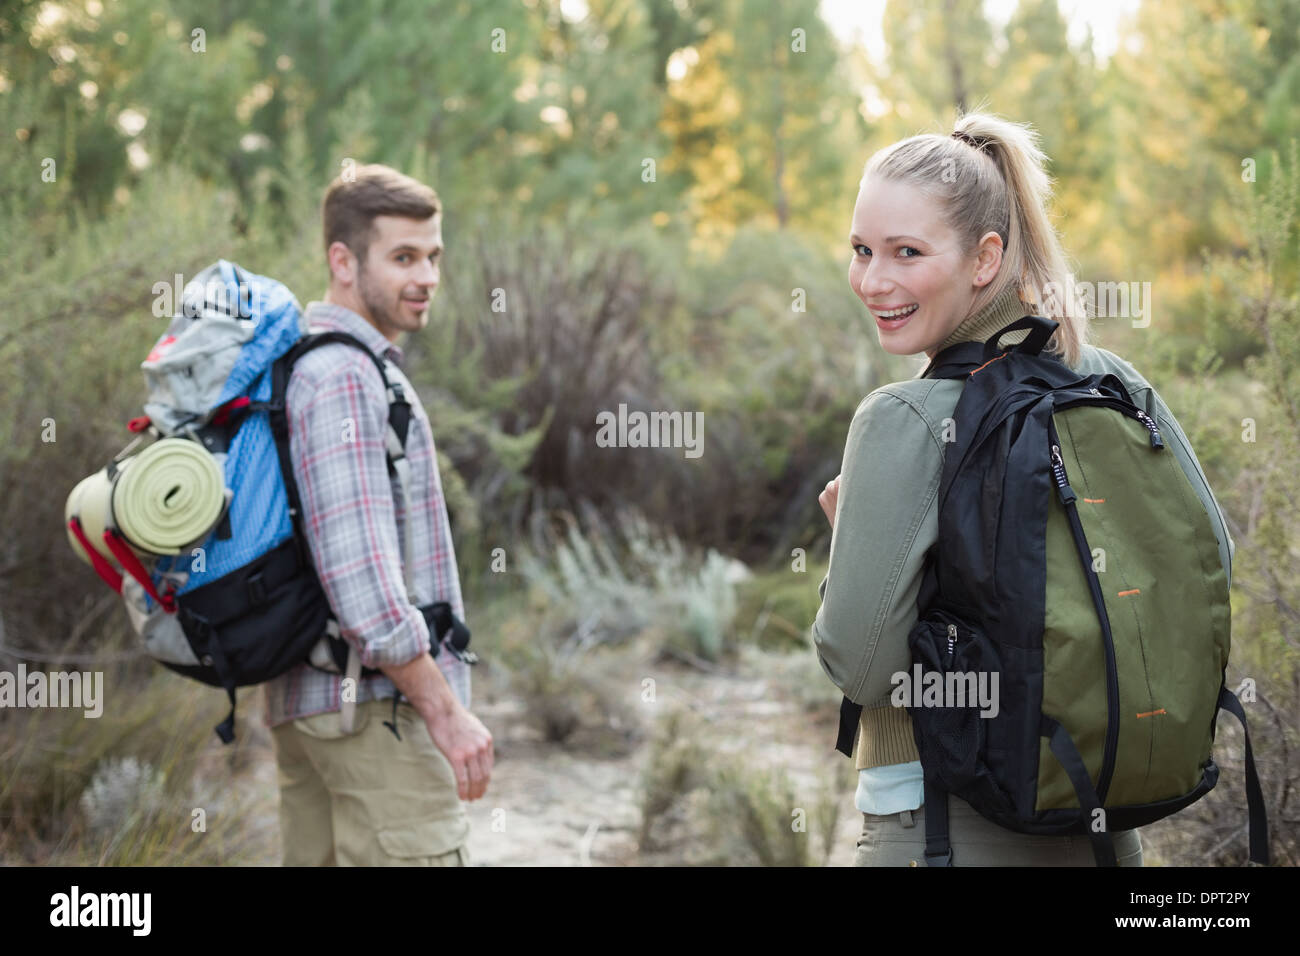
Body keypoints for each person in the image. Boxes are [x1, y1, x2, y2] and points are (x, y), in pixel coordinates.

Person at [812, 112, 1235, 867]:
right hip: (1106, 829)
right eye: (861, 250)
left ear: (985, 258)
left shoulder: (904, 416)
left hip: (940, 829)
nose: (873, 281)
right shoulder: (1111, 379)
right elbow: (1211, 561)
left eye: (907, 252)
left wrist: (851, 539)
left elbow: (862, 666)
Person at [265, 164, 494, 866]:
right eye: (403, 257)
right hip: (370, 716)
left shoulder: (323, 366)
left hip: (322, 708)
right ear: (344, 262)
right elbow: (362, 580)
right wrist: (445, 712)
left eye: (433, 257)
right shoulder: (343, 376)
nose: (426, 277)